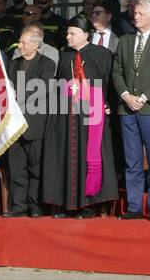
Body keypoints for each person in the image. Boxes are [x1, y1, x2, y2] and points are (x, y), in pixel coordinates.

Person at [42, 16, 118, 217]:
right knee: (69, 157)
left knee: (89, 157)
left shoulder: (102, 54)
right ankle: (69, 204)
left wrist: (109, 103)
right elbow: (59, 83)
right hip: (68, 117)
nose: (67, 36)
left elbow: (112, 83)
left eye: (72, 33)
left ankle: (89, 205)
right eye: (67, 33)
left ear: (85, 34)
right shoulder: (64, 55)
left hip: (92, 117)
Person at [113, 0, 150, 220]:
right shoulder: (125, 40)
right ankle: (134, 206)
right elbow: (117, 71)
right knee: (132, 160)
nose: (135, 16)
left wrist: (144, 96)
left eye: (139, 13)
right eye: (134, 13)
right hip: (127, 109)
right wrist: (126, 95)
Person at [6, 25, 56, 217]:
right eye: (20, 41)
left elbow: (44, 90)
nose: (20, 45)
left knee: (36, 168)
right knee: (17, 168)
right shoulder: (13, 63)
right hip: (15, 126)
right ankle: (19, 206)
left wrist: (17, 95)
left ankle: (35, 205)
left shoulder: (47, 64)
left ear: (35, 45)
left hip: (35, 125)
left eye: (24, 42)